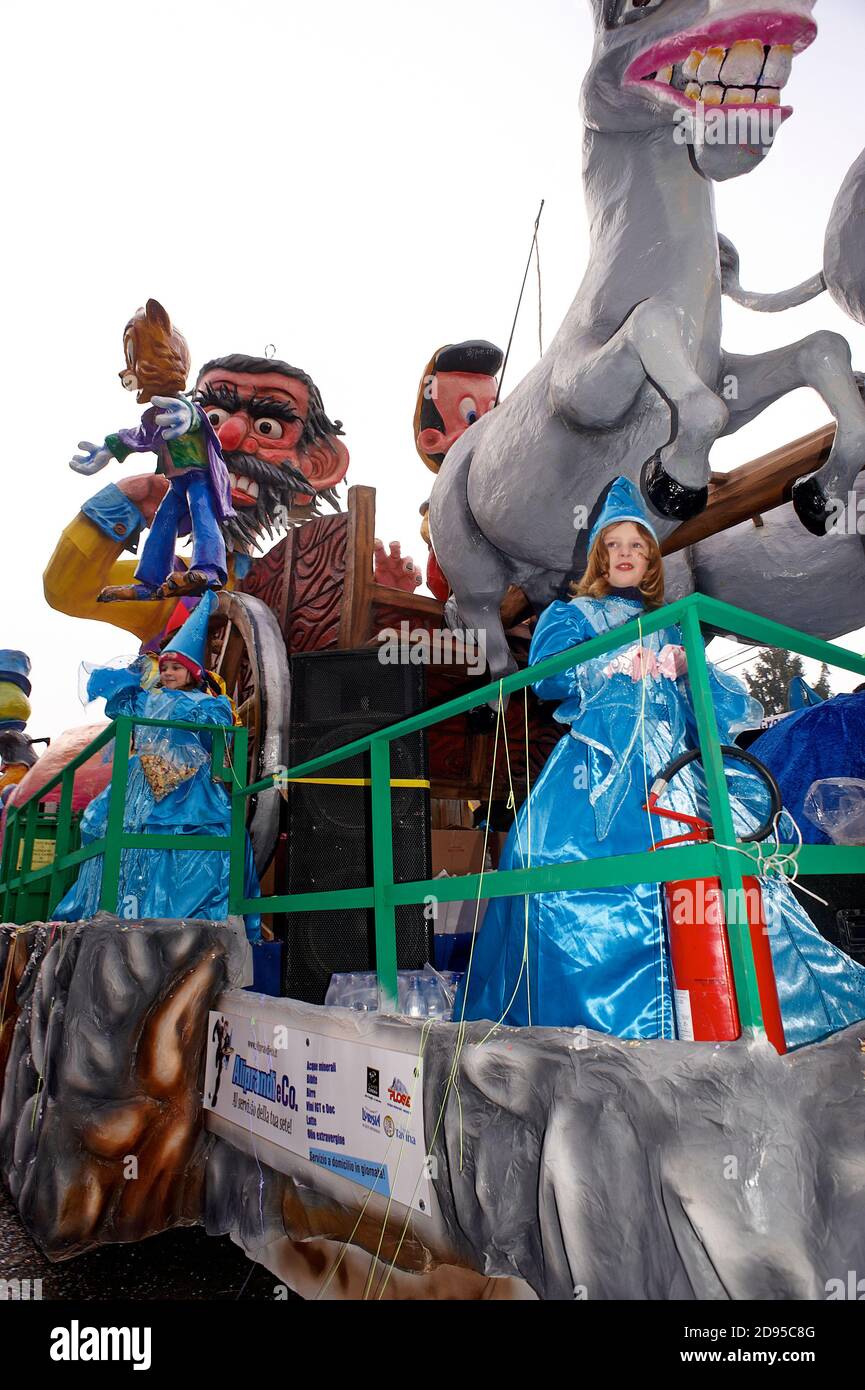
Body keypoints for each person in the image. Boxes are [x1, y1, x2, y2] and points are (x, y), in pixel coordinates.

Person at [455, 478, 865, 1048]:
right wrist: (612, 663)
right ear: (601, 555)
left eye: (638, 546)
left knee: (717, 869)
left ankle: (733, 1017)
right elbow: (549, 676)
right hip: (599, 767)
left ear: (650, 560)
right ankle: (563, 1033)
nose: (626, 554)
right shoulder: (572, 614)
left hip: (674, 769)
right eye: (616, 545)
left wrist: (688, 666)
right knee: (544, 864)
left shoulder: (673, 621)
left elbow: (714, 707)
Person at [53, 593, 261, 940]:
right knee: (113, 828)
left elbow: (219, 739)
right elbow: (122, 706)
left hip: (189, 785)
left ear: (193, 672)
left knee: (204, 836)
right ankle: (121, 911)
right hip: (141, 782)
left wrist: (199, 718)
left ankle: (186, 920)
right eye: (164, 668)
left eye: (176, 667)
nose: (167, 673)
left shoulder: (208, 704)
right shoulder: (148, 698)